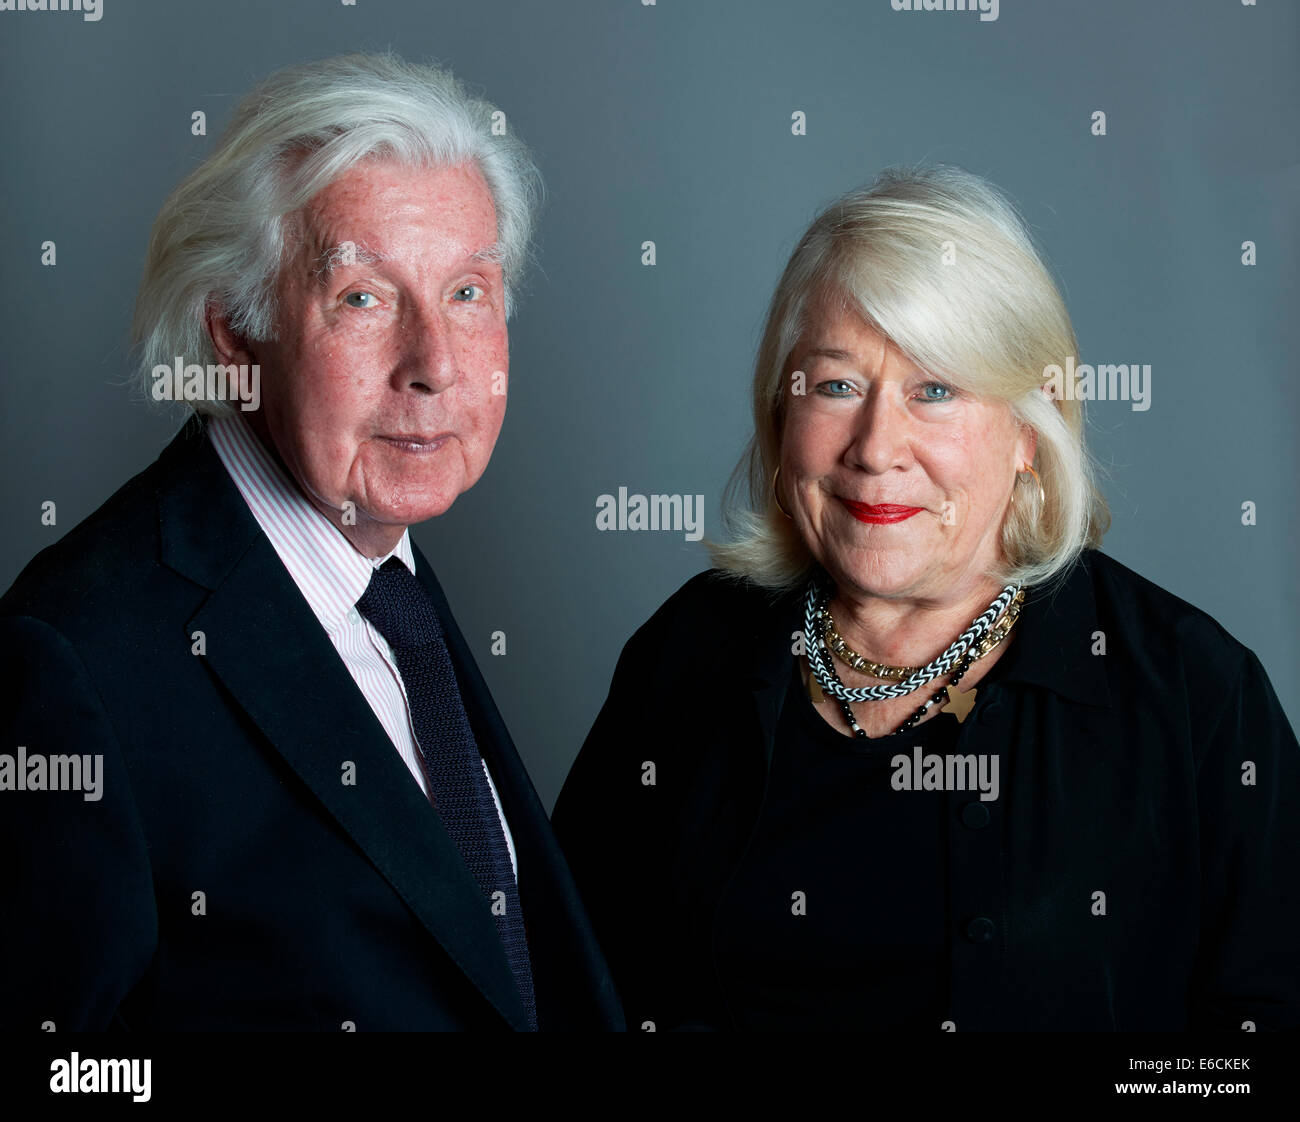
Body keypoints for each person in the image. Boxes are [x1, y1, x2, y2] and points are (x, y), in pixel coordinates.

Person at [551, 165, 1300, 1032]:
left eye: (935, 390)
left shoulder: (1192, 693)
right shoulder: (687, 655)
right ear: (780, 413)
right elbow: (565, 985)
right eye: (836, 386)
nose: (876, 447)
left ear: (1030, 429)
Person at [0, 52, 621, 1032]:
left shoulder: (386, 571)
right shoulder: (74, 660)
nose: (433, 368)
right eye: (363, 299)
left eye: (467, 292)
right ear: (235, 335)